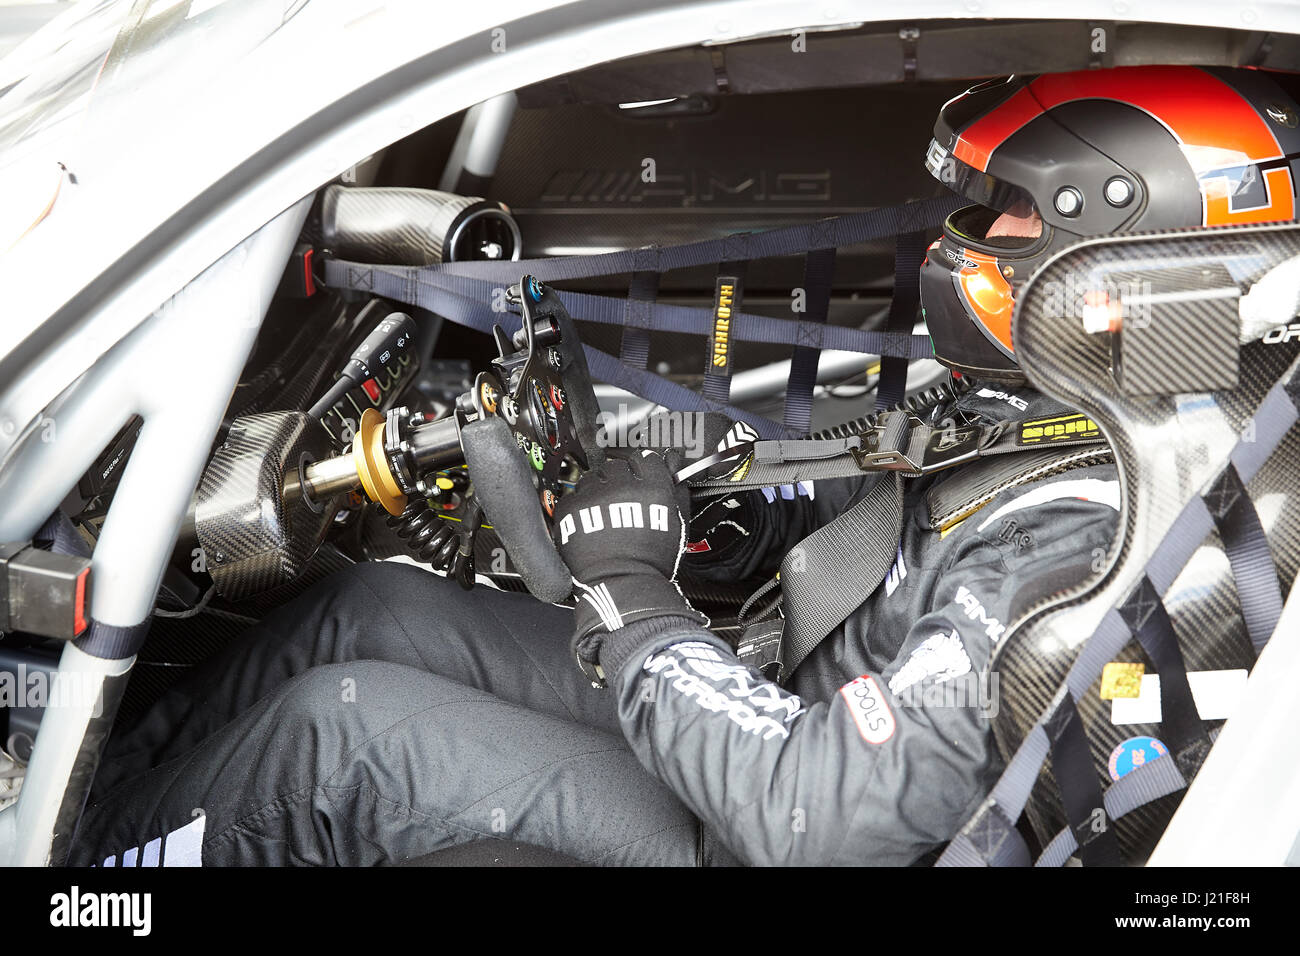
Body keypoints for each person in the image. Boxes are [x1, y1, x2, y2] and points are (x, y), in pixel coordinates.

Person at [69, 65, 1297, 867]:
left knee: (345, 738)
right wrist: (721, 529)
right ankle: (82, 811)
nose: (957, 242)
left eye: (1002, 218)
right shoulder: (1105, 419)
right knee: (366, 607)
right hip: (780, 706)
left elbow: (830, 817)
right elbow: (902, 540)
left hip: (778, 815)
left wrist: (640, 602)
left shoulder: (1095, 531)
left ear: (1123, 266)